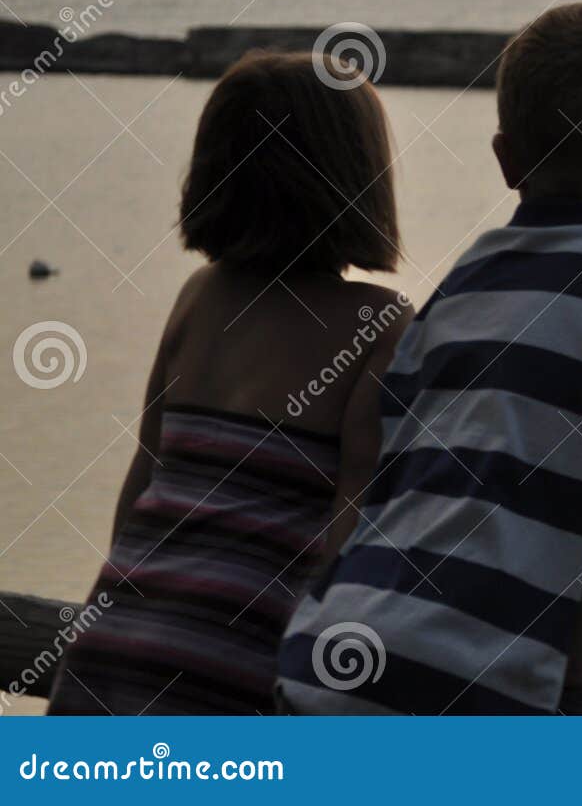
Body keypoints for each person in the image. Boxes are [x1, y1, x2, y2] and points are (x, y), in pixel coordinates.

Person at [277, 3, 582, 714]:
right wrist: (568, 665)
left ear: (505, 158)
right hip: (464, 681)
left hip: (324, 650)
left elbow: (389, 469)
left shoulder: (467, 278)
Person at [49, 51, 410, 715]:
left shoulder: (199, 297)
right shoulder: (380, 326)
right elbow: (352, 530)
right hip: (242, 664)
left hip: (111, 647)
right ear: (361, 179)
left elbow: (141, 485)